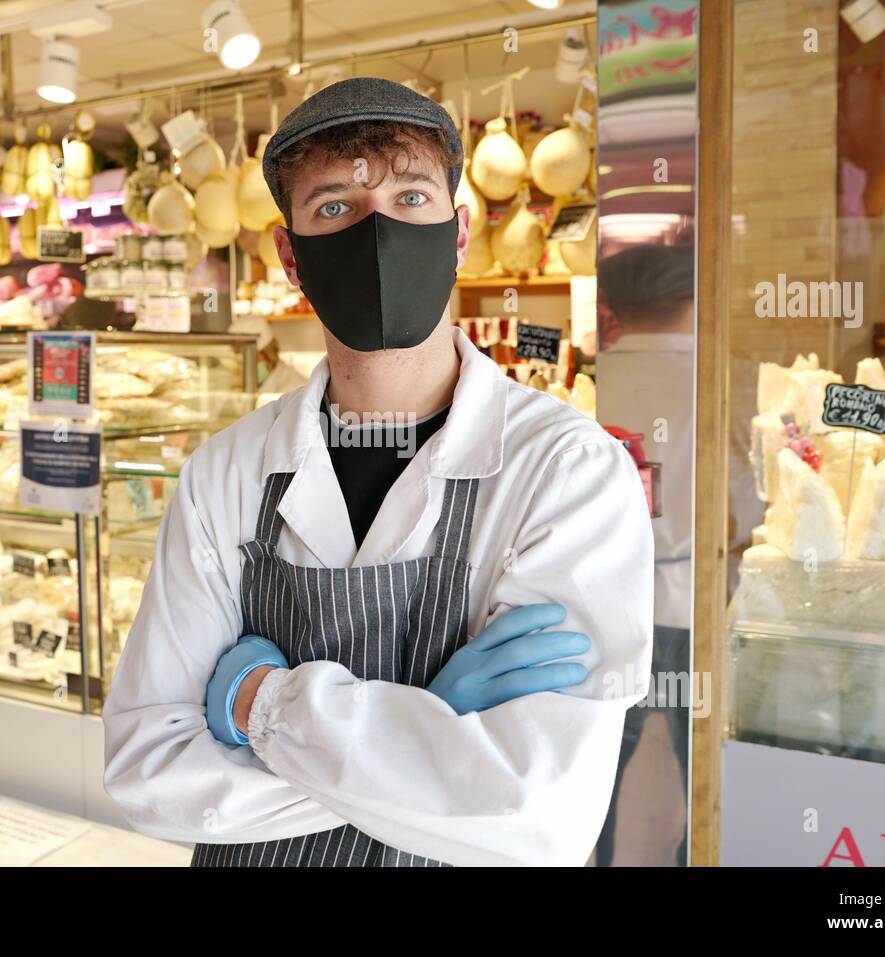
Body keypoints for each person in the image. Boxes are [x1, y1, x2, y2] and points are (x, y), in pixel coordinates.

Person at [103, 78, 653, 867]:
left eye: (410, 197)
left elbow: (537, 813)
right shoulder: (222, 476)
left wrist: (259, 705)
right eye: (335, 207)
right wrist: (427, 726)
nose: (377, 232)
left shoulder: (567, 473)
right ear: (290, 255)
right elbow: (148, 771)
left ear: (459, 233)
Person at [591, 243, 694, 866]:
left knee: (601, 758)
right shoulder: (717, 379)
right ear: (691, 300)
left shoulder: (598, 377)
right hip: (687, 603)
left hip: (604, 600)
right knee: (696, 759)